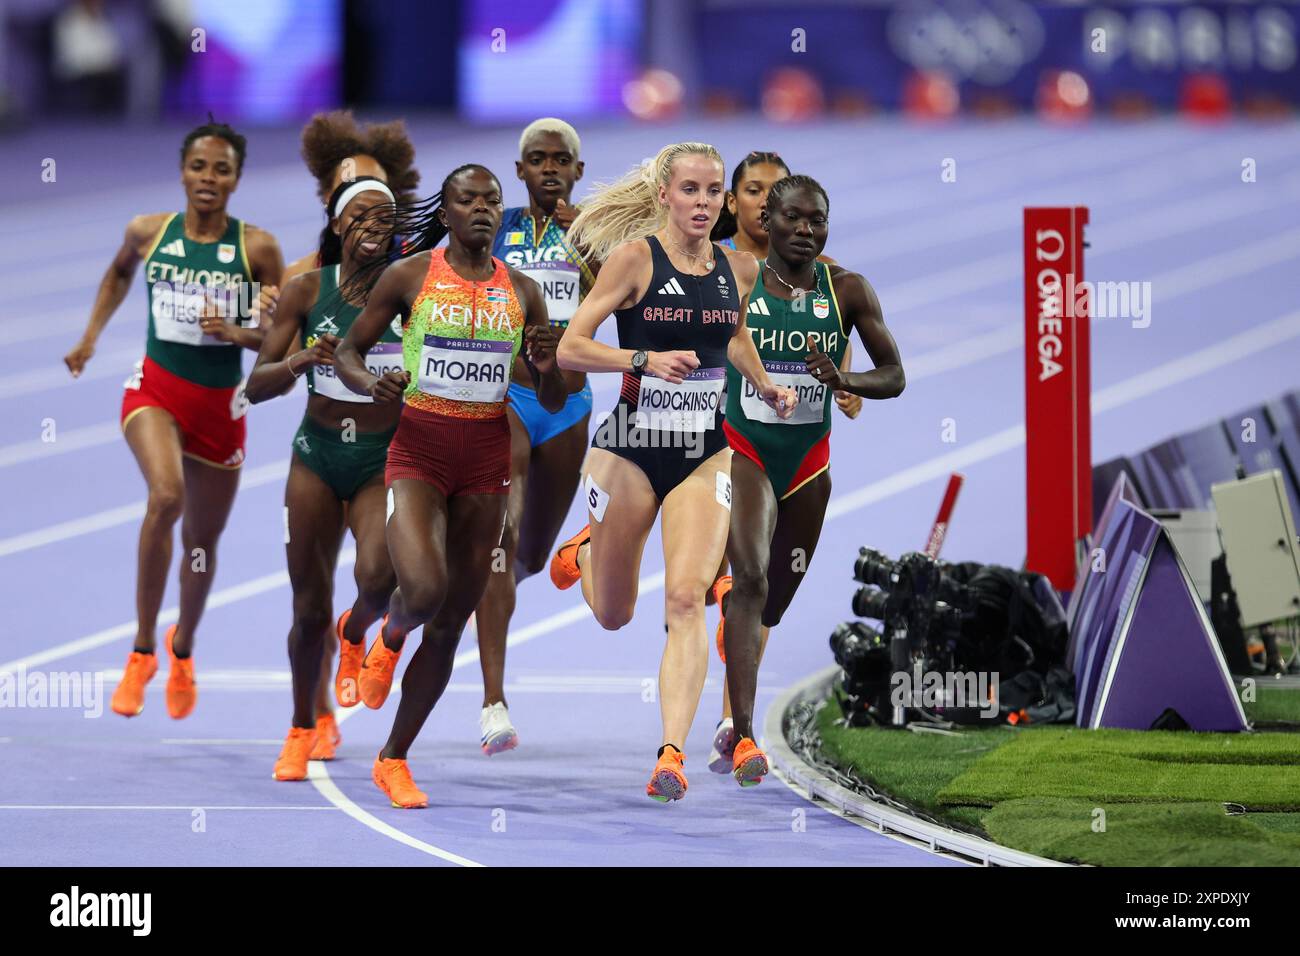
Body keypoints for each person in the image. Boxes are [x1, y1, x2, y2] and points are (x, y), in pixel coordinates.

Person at [548, 142, 797, 802]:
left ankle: (670, 754)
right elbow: (572, 346)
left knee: (687, 597)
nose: (703, 202)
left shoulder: (739, 269)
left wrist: (766, 385)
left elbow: (734, 335)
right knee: (612, 613)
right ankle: (590, 546)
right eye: (690, 190)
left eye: (714, 191)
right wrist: (640, 361)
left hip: (702, 451)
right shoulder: (634, 260)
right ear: (664, 195)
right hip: (629, 447)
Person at [333, 165, 567, 808]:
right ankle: (380, 634)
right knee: (424, 590)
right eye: (468, 200)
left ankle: (393, 759)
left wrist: (547, 367)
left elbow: (551, 393)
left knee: (451, 619)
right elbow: (350, 353)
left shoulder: (522, 291)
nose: (483, 209)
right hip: (418, 453)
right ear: (447, 212)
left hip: (486, 463)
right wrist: (365, 384)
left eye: (493, 200)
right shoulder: (409, 277)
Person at [64, 120, 284, 719]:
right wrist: (89, 338)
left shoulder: (257, 249)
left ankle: (181, 646)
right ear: (183, 171)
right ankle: (140, 650)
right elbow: (117, 274)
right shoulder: (147, 231)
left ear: (237, 178)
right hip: (155, 391)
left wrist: (237, 330)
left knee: (202, 543)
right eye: (198, 167)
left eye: (221, 169)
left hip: (221, 408)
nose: (208, 178)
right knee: (165, 498)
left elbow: (274, 342)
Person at [716, 175, 905, 784]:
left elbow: (895, 374)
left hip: (808, 461)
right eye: (793, 218)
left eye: (816, 221)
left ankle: (737, 636)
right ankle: (742, 737)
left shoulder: (846, 289)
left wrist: (845, 382)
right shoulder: (739, 283)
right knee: (747, 579)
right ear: (765, 221)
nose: (805, 230)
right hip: (744, 447)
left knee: (770, 601)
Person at [245, 176, 405, 780]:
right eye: (359, 216)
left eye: (384, 217)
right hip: (316, 458)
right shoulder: (307, 290)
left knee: (378, 574)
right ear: (338, 227)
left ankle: (357, 630)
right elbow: (255, 388)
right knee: (307, 607)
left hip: (382, 457)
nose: (372, 226)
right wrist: (299, 359)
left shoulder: (412, 291)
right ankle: (300, 728)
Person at [474, 117, 595, 755]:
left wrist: (587, 241)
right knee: (503, 534)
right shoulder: (493, 230)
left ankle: (482, 582)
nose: (549, 168)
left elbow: (626, 301)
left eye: (561, 160)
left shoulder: (596, 235)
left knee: (528, 558)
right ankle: (494, 701)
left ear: (578, 170)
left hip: (568, 403)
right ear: (518, 171)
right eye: (536, 159)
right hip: (504, 395)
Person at [284, 111, 421, 282]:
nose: (364, 197)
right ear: (329, 199)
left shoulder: (421, 270)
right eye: (349, 190)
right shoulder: (297, 277)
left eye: (374, 189)